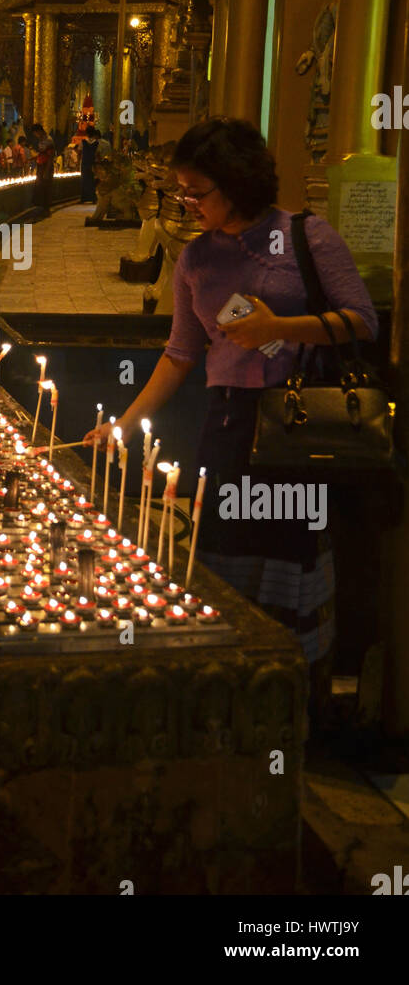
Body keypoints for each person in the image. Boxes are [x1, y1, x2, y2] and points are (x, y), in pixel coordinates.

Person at [84, 118, 378, 720]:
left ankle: (294, 700)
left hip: (293, 428)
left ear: (238, 182)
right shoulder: (196, 257)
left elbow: (361, 321)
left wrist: (279, 329)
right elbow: (180, 354)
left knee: (288, 549)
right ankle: (231, 695)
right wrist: (122, 423)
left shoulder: (305, 238)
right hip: (227, 428)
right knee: (223, 550)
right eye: (182, 191)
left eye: (198, 191)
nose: (186, 203)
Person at [29, 124, 54, 216]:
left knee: (46, 187)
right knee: (40, 187)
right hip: (40, 166)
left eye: (35, 133)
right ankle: (42, 208)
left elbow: (50, 156)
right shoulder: (41, 140)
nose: (35, 135)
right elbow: (42, 153)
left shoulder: (48, 140)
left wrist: (47, 171)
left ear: (39, 131)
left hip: (46, 166)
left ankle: (46, 209)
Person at [80, 126, 100, 203]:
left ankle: (84, 198)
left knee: (84, 180)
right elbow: (98, 154)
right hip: (92, 163)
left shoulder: (83, 142)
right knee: (92, 180)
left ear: (87, 133)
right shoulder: (97, 143)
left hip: (84, 163)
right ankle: (93, 198)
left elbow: (79, 152)